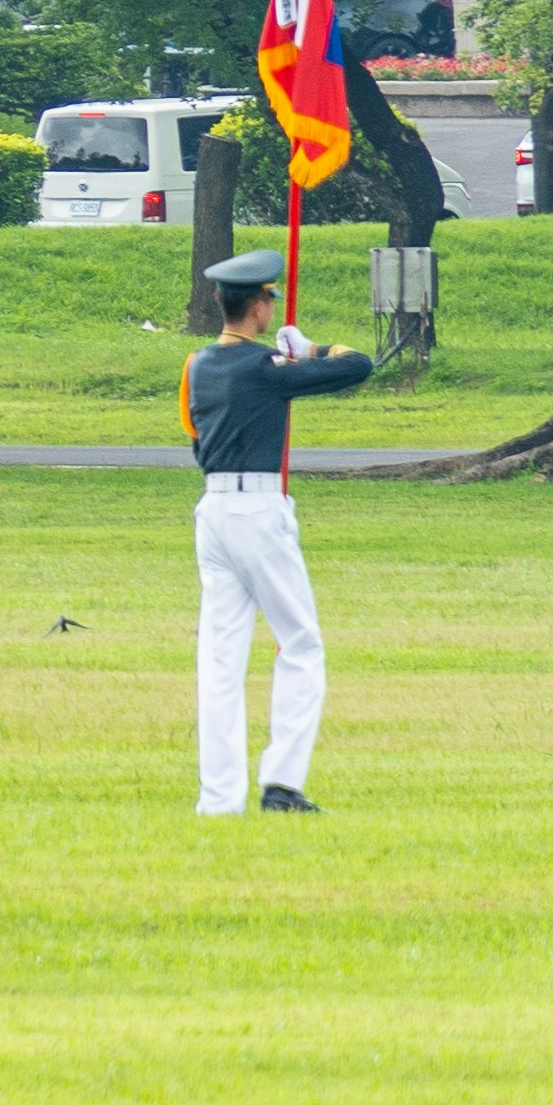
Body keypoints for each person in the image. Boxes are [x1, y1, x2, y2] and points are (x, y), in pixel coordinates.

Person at [186, 248, 374, 816]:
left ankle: (218, 799)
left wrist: (282, 360)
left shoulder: (197, 365)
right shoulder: (265, 369)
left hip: (214, 509)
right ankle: (282, 784)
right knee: (301, 642)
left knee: (220, 660)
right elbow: (358, 365)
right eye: (270, 298)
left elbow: (197, 437)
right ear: (260, 308)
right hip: (257, 511)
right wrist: (309, 350)